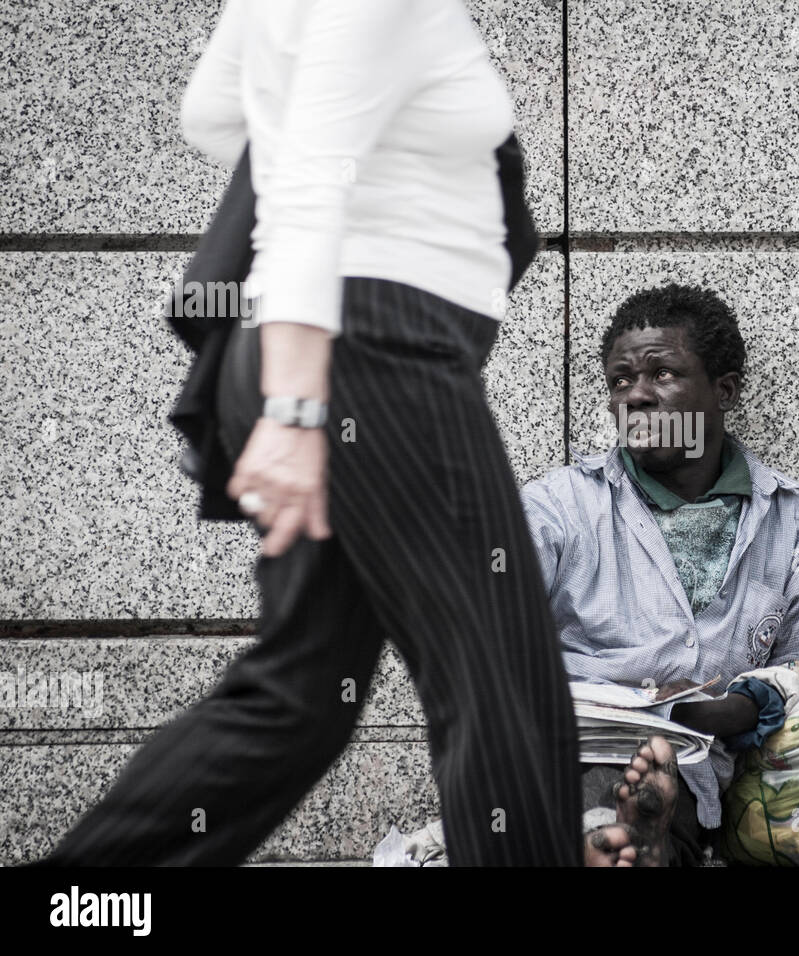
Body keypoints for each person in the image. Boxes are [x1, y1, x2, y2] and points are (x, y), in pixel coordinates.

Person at [37, 0, 582, 866]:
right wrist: (296, 408)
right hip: (368, 351)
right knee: (502, 679)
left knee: (299, 694)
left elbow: (214, 112)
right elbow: (303, 176)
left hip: (329, 350)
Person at [522, 284, 799, 866]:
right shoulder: (559, 509)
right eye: (620, 381)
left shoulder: (790, 523)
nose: (637, 396)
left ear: (723, 390)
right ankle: (616, 833)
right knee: (600, 786)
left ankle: (626, 834)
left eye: (662, 374)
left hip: (697, 774)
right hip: (565, 754)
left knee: (657, 793)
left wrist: (739, 707)